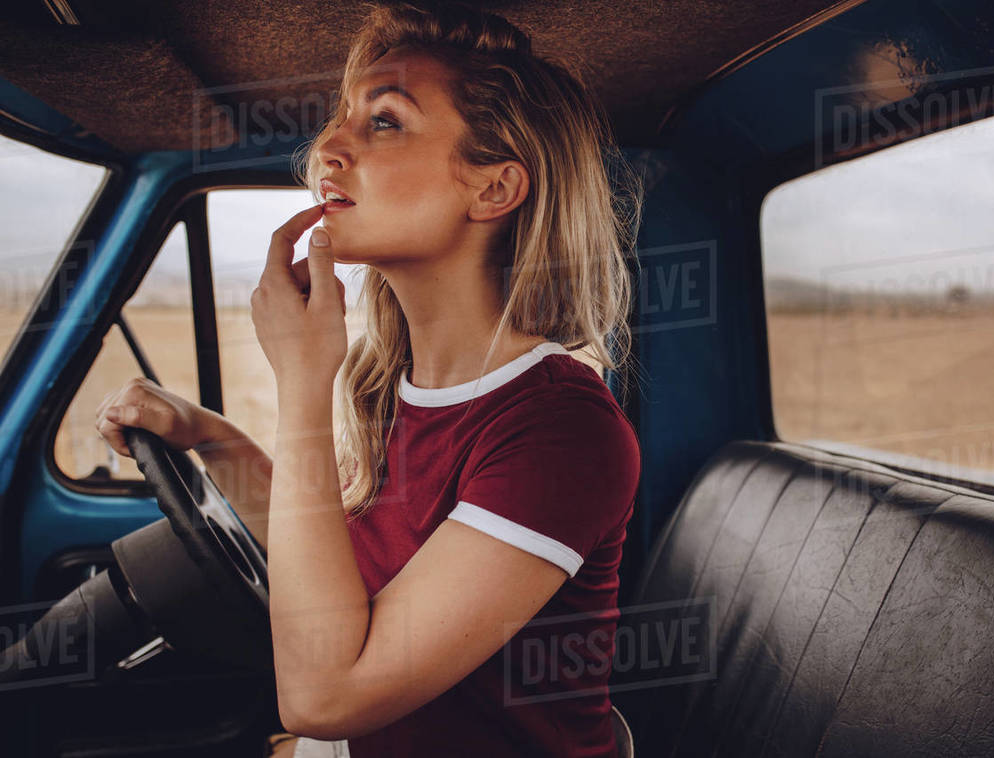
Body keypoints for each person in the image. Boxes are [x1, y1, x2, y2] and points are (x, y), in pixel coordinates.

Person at [94, 2, 644, 755]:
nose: (326, 145)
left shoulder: (561, 431)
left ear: (493, 189)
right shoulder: (403, 386)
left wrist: (301, 380)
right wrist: (211, 437)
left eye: (384, 121)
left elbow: (325, 696)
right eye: (341, 116)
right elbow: (337, 569)